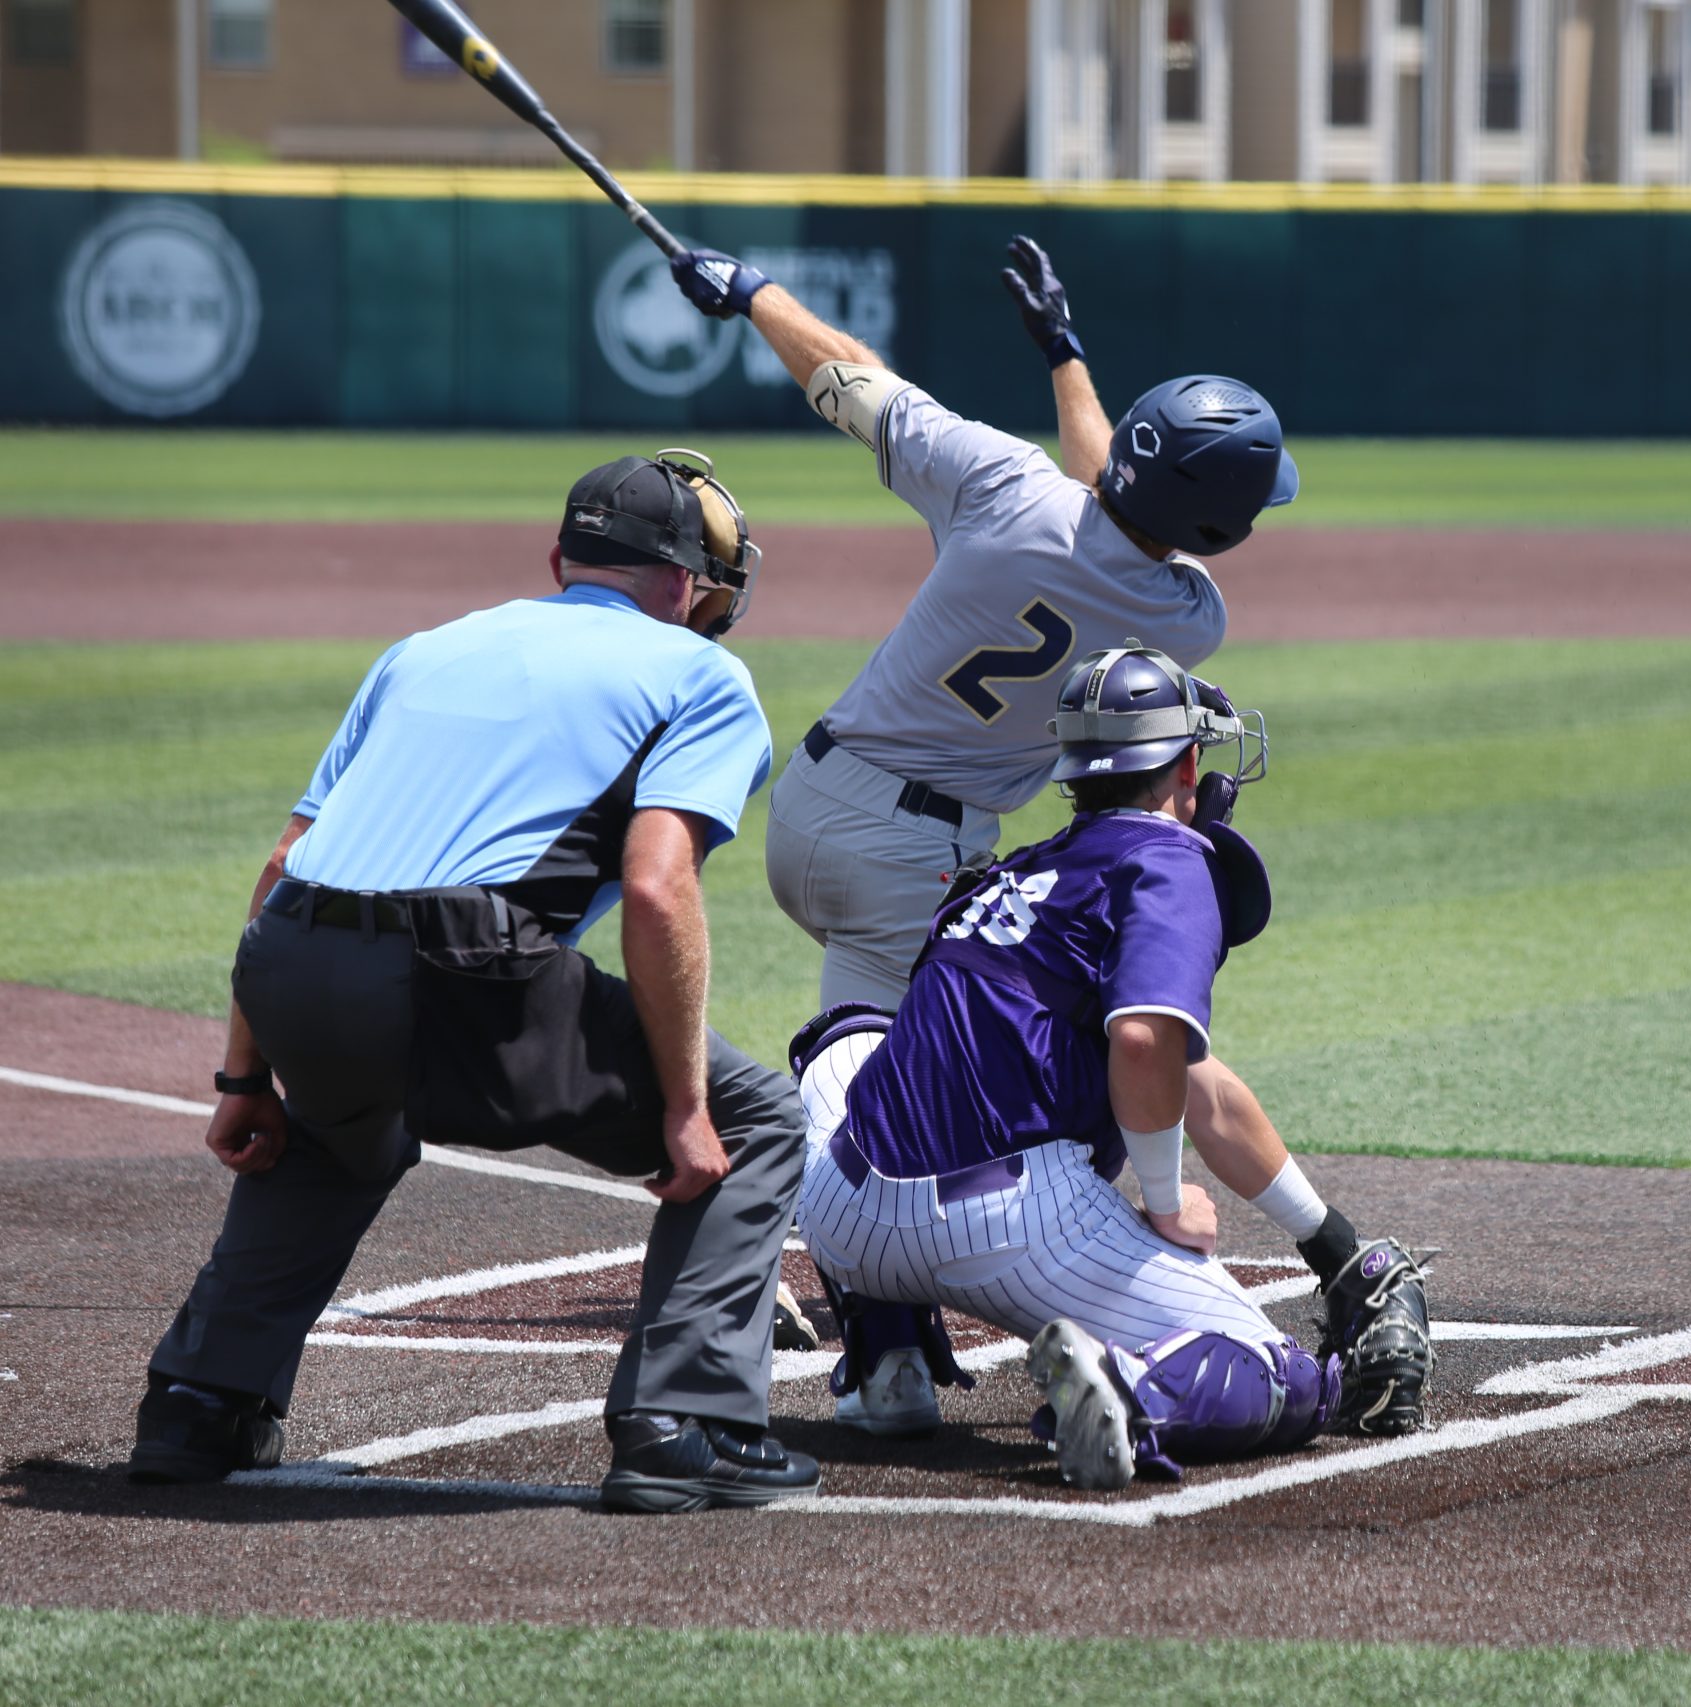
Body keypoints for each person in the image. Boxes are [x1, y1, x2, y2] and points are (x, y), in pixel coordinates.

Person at [667, 236, 1310, 1436]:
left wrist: (753, 293)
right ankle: (942, 1324)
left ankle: (890, 1351)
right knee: (929, 1102)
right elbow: (1119, 498)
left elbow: (849, 381)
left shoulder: (1002, 484)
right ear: (1218, 530)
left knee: (864, 1060)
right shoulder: (1188, 615)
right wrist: (1068, 354)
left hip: (815, 806)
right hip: (918, 854)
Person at [128, 450, 822, 1515]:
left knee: (336, 1125)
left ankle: (196, 1404)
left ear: (559, 559)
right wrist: (682, 1110)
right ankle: (684, 1426)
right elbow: (655, 889)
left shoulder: (424, 649)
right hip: (461, 973)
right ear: (688, 586)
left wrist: (242, 1080)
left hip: (291, 957)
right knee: (758, 1119)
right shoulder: (699, 674)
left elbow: (282, 866)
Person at [787, 644, 1434, 1490]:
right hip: (1013, 1229)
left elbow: (1196, 1084)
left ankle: (890, 1364)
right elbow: (1142, 1043)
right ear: (1187, 763)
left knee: (850, 1041)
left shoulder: (1024, 872)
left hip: (845, 1212)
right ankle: (1131, 1392)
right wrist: (1164, 1203)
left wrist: (1325, 1235)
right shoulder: (1168, 857)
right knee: (1281, 1375)